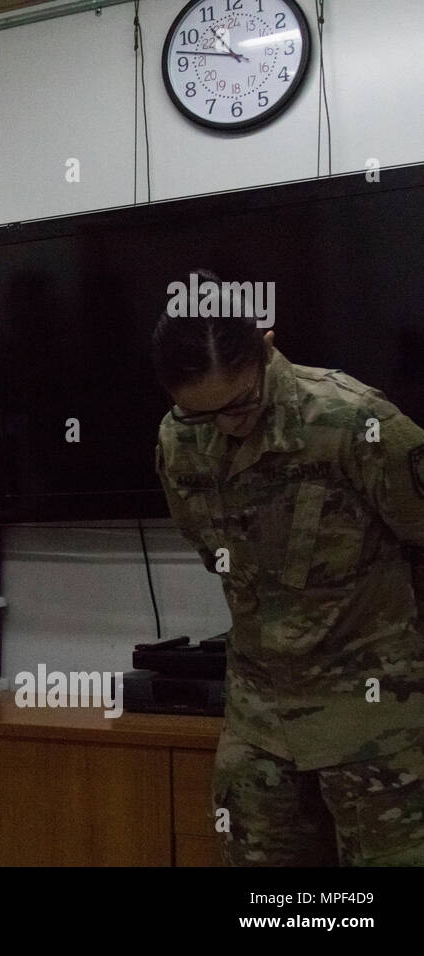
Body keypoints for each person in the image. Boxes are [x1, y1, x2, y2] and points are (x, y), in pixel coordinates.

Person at [152, 272, 424, 865]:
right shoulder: (178, 441)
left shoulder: (352, 421)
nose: (225, 424)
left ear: (267, 347)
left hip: (374, 726)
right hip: (259, 722)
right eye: (203, 415)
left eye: (240, 404)